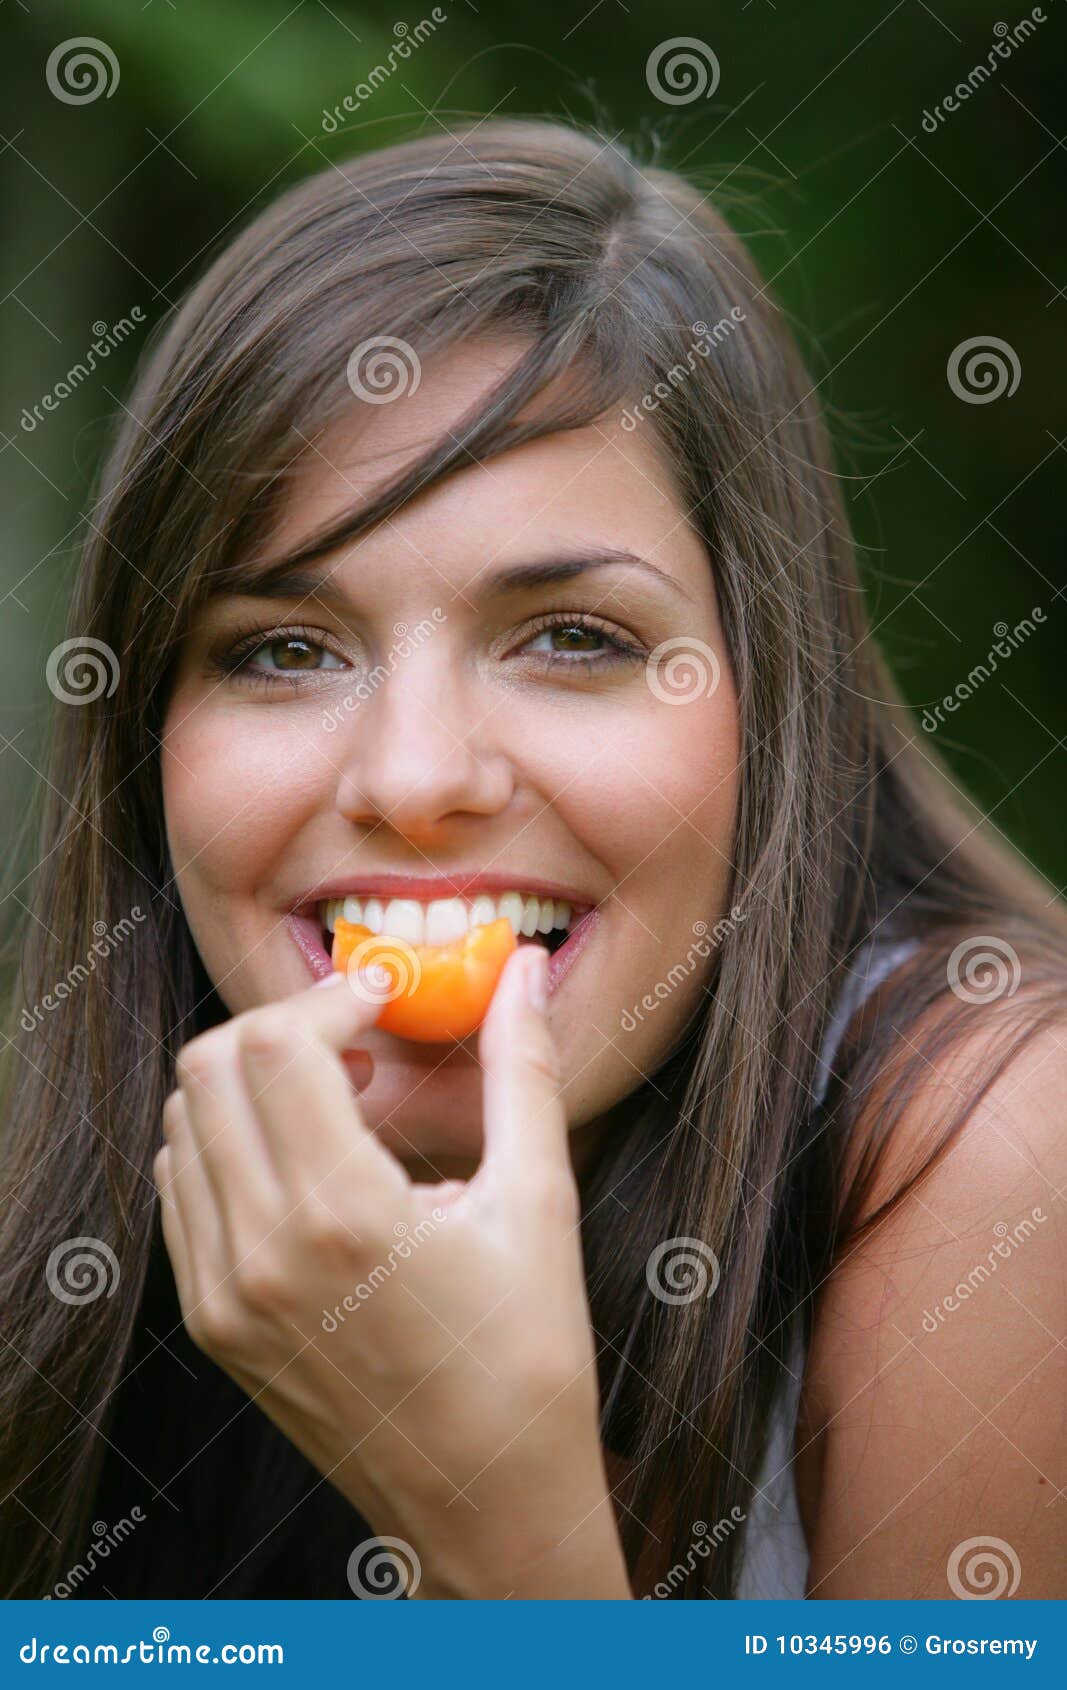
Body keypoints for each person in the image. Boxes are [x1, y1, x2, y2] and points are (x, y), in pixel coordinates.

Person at [1, 118, 1064, 1601]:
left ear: (774, 705)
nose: (419, 779)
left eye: (574, 638)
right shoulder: (58, 1251)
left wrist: (503, 1525)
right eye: (285, 648)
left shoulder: (1002, 1144)